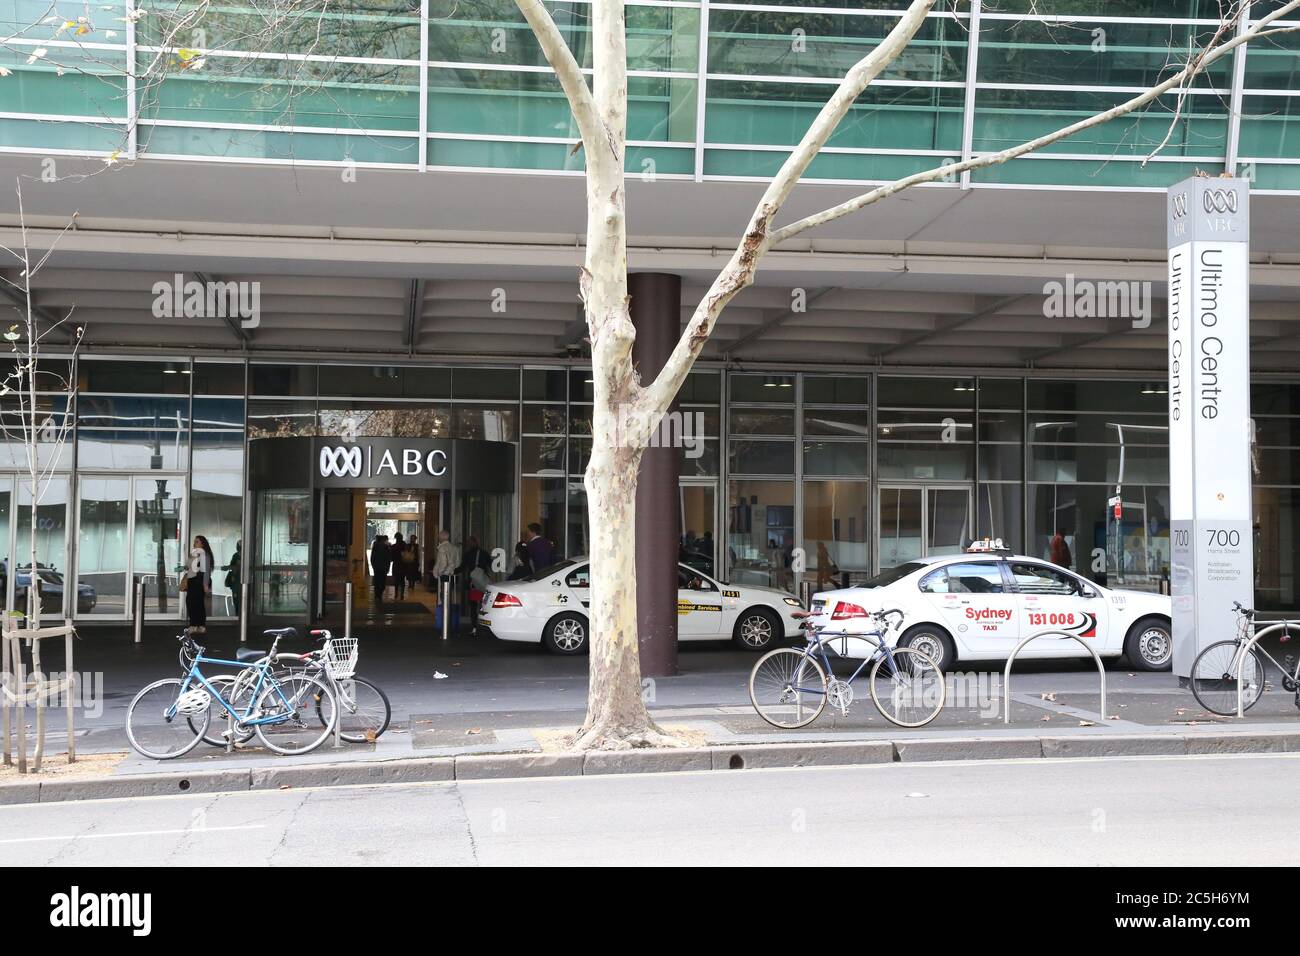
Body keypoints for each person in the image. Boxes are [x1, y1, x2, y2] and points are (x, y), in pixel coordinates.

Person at [183, 534, 214, 633]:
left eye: (197, 541)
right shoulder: (194, 554)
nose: (194, 543)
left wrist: (205, 585)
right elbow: (188, 566)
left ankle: (196, 625)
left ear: (202, 544)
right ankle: (198, 625)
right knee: (192, 602)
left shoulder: (205, 555)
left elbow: (206, 571)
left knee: (196, 603)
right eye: (194, 541)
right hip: (192, 581)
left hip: (199, 582)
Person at [370, 534, 392, 606]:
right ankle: (379, 595)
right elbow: (388, 559)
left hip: (377, 568)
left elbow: (372, 558)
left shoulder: (375, 547)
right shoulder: (386, 547)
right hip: (383, 568)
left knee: (377, 581)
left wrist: (374, 566)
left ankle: (377, 595)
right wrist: (387, 567)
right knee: (382, 582)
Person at [222, 540, 242, 616]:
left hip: (238, 580)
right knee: (237, 599)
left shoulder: (238, 555)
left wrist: (228, 567)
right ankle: (238, 614)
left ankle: (239, 614)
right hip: (236, 580)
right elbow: (232, 566)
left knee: (239, 599)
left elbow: (231, 566)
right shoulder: (236, 555)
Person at [391, 532, 408, 600]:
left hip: (396, 564)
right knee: (402, 580)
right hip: (403, 564)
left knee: (396, 580)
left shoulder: (394, 546)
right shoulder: (405, 545)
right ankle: (402, 595)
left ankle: (396, 594)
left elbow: (391, 557)